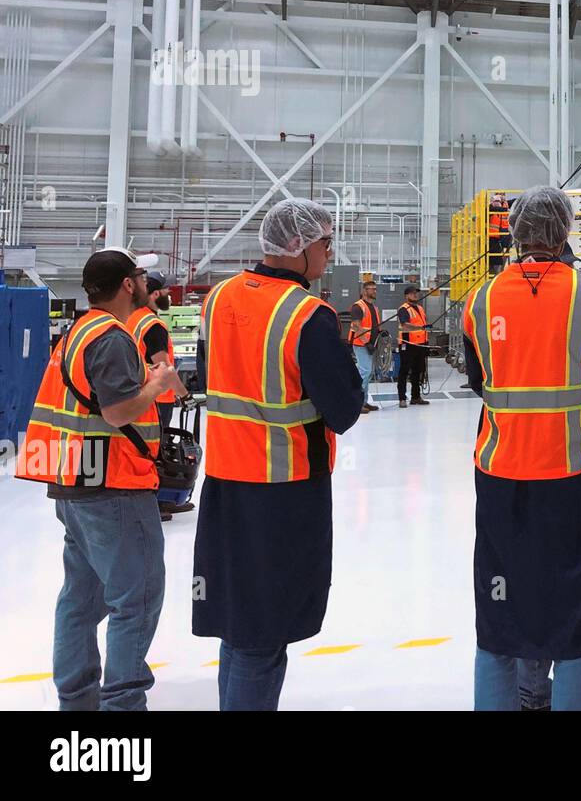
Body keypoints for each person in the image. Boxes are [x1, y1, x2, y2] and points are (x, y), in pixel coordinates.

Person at [193, 199, 365, 711]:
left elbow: (210, 377)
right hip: (283, 488)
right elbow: (344, 410)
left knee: (239, 622)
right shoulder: (307, 314)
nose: (329, 254)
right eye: (324, 244)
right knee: (264, 633)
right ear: (298, 247)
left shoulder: (219, 297)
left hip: (225, 479)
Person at [463, 185, 581, 711]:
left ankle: (517, 695)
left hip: (502, 471)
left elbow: (477, 377)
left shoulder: (480, 300)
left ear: (513, 232)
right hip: (572, 472)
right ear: (566, 232)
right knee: (575, 602)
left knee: (501, 604)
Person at [17, 247, 183, 710]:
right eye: (143, 278)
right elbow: (116, 411)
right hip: (114, 486)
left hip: (77, 481)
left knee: (81, 600)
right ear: (129, 285)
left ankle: (77, 700)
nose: (149, 285)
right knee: (136, 600)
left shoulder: (80, 330)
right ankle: (123, 705)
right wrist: (157, 383)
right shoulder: (111, 337)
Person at [126, 272, 189, 442]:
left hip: (137, 394)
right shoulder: (153, 326)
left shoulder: (132, 317)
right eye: (166, 292)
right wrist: (185, 396)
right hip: (157, 399)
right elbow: (165, 368)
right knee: (157, 447)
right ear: (155, 294)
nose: (168, 296)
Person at [349, 279, 382, 413]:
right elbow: (357, 327)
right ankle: (357, 403)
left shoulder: (374, 307)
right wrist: (366, 342)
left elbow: (374, 326)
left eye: (375, 289)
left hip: (371, 345)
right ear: (364, 291)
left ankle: (364, 401)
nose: (374, 291)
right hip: (361, 344)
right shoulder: (358, 307)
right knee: (364, 372)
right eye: (371, 289)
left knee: (367, 374)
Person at [396, 285, 430, 408]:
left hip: (420, 344)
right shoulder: (403, 309)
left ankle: (415, 397)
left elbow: (423, 325)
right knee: (404, 371)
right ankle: (402, 398)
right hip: (408, 344)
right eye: (412, 293)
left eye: (416, 293)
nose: (415, 295)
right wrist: (420, 328)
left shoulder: (420, 308)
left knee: (418, 370)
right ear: (407, 296)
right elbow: (405, 325)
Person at [487, 192, 512, 274]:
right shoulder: (490, 208)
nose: (501, 196)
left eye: (502, 194)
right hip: (492, 237)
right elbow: (493, 209)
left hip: (503, 234)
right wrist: (506, 210)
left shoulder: (506, 204)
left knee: (505, 253)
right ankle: (495, 273)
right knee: (494, 259)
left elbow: (515, 202)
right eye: (498, 195)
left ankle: (499, 272)